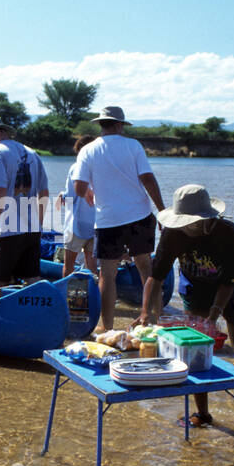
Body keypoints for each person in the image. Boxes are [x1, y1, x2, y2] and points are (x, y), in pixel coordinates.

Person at [136, 184, 234, 426]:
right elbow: (156, 276)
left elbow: (230, 281)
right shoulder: (173, 233)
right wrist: (148, 312)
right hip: (196, 289)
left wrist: (215, 313)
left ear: (206, 219)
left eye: (191, 222)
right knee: (193, 353)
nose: (186, 226)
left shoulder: (228, 232)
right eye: (182, 221)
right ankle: (203, 414)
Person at [71, 106, 165, 331]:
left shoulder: (88, 150)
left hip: (108, 220)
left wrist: (88, 192)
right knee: (146, 269)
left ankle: (108, 328)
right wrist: (162, 211)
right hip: (139, 215)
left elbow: (78, 186)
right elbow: (148, 179)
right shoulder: (133, 145)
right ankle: (155, 322)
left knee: (107, 275)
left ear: (101, 125)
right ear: (120, 125)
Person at [0, 116, 49, 294]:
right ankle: (33, 317)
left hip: (7, 228)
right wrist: (38, 226)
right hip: (31, 228)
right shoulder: (32, 153)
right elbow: (44, 193)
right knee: (32, 278)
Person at [59, 135, 98, 279]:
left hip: (76, 225)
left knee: (68, 266)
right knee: (92, 267)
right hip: (95, 224)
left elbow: (70, 197)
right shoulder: (100, 169)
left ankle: (65, 297)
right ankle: (94, 298)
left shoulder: (75, 168)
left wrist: (62, 195)